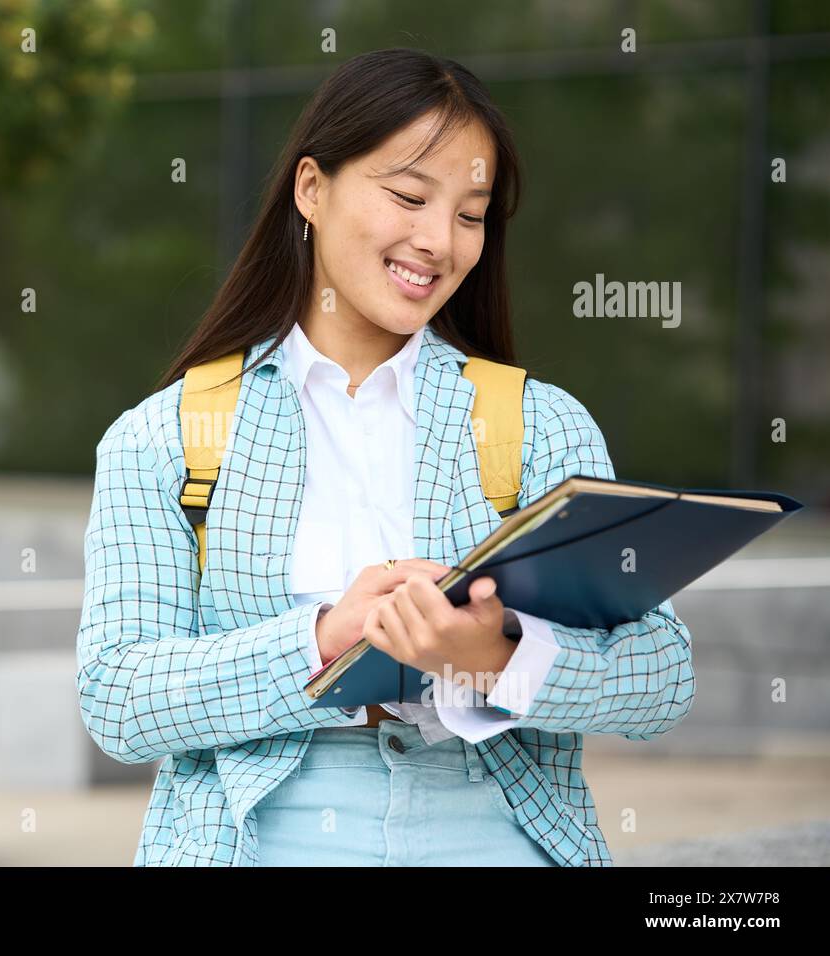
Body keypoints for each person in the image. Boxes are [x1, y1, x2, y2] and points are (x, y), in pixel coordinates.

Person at [76, 48, 695, 867]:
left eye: (471, 215)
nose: (438, 241)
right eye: (408, 196)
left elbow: (661, 677)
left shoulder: (541, 425)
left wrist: (496, 657)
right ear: (311, 190)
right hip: (256, 840)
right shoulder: (166, 435)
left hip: (495, 837)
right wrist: (327, 641)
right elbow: (118, 699)